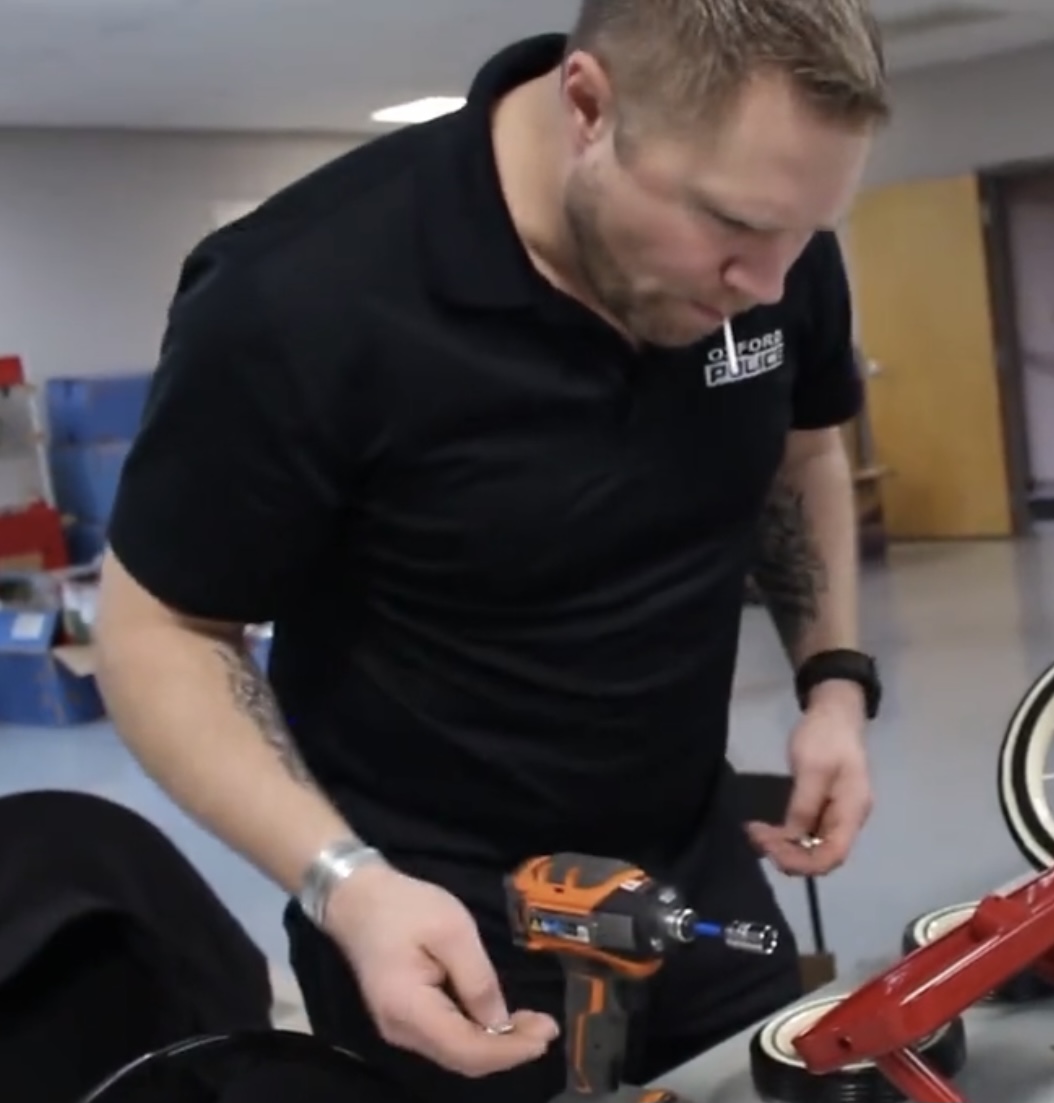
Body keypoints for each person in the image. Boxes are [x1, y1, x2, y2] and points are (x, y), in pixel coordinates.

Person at [91, 3, 889, 1100]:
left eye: (803, 233)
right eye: (732, 227)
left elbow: (800, 453)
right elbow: (158, 630)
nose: (766, 280)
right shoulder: (299, 298)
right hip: (435, 914)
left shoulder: (776, 252)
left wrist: (833, 681)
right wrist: (346, 887)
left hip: (691, 858)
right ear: (588, 107)